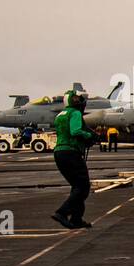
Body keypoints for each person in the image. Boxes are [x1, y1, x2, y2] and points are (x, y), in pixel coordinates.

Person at [50, 89, 98, 229]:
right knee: (83, 186)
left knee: (77, 187)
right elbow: (75, 131)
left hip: (59, 153)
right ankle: (62, 212)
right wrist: (89, 136)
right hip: (70, 153)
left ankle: (77, 219)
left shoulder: (60, 115)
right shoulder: (75, 113)